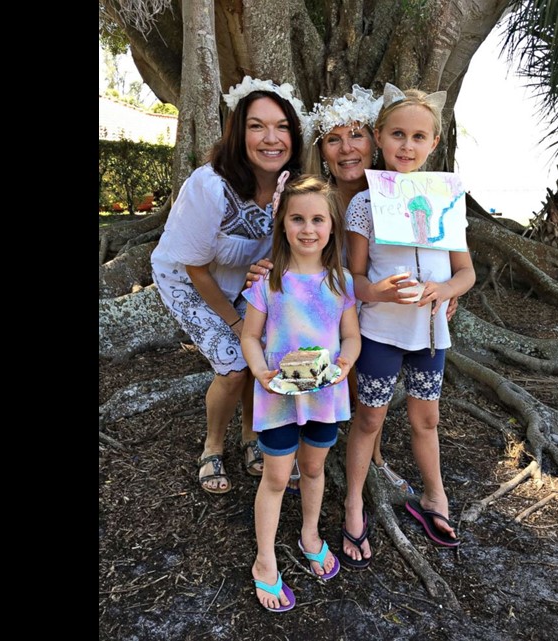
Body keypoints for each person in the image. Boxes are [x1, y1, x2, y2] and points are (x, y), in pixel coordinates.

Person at [248, 85, 457, 495]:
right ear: (321, 149)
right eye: (333, 139)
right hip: (322, 310)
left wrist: (449, 288)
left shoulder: (401, 196)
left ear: (373, 140)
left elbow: (435, 250)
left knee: (368, 389)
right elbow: (285, 256)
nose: (346, 148)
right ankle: (272, 444)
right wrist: (263, 271)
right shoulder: (310, 199)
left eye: (355, 136)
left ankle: (369, 458)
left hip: (379, 313)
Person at [339, 83, 476, 569]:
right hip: (381, 333)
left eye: (419, 137)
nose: (407, 145)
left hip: (431, 335)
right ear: (379, 136)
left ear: (434, 143)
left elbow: (466, 271)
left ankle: (435, 496)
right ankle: (353, 502)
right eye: (397, 134)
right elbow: (355, 279)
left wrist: (447, 290)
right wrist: (378, 292)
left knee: (427, 419)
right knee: (369, 419)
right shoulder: (365, 204)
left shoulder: (447, 201)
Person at [150, 76, 305, 494]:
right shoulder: (210, 184)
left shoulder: (291, 185)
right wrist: (237, 325)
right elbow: (196, 268)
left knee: (263, 355)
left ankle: (250, 436)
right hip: (188, 280)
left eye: (282, 127)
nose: (271, 138)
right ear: (238, 132)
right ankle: (212, 447)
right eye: (257, 126)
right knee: (235, 366)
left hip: (245, 281)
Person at [240, 173, 361, 611]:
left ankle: (310, 533)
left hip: (324, 396)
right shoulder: (269, 282)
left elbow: (351, 336)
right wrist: (259, 370)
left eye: (317, 219)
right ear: (283, 224)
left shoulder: (341, 281)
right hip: (277, 395)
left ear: (332, 226)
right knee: (276, 477)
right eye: (297, 219)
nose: (308, 229)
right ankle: (264, 560)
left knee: (313, 468)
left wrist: (346, 363)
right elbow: (250, 336)